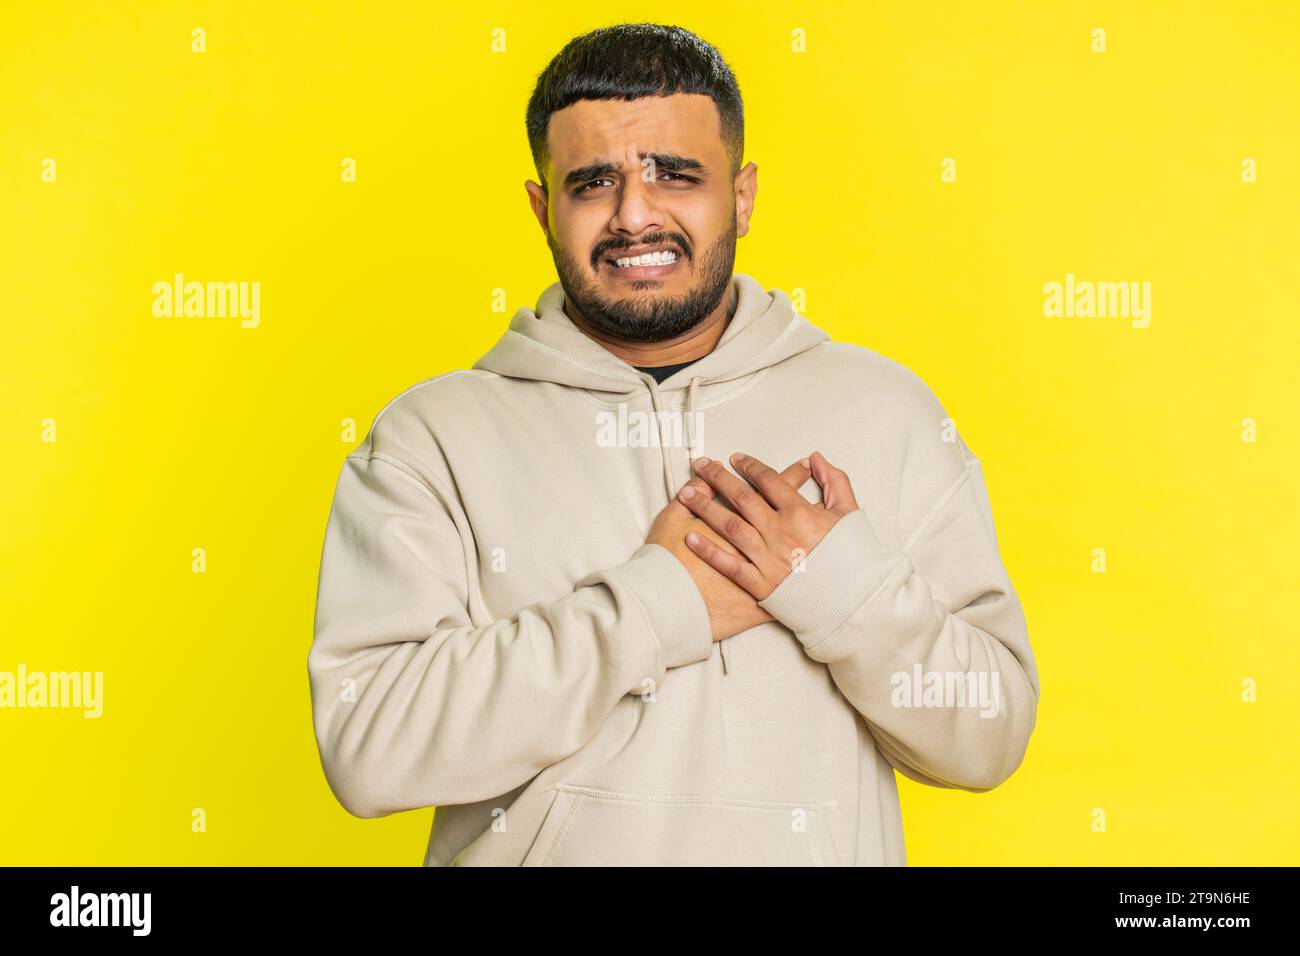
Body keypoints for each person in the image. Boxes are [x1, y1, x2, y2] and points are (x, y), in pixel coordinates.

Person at [307, 22, 1040, 866]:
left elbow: (991, 735)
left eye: (675, 175)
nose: (634, 215)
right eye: (592, 184)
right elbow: (367, 749)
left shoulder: (889, 410)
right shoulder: (430, 439)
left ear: (742, 195)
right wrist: (658, 605)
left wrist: (841, 589)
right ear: (544, 210)